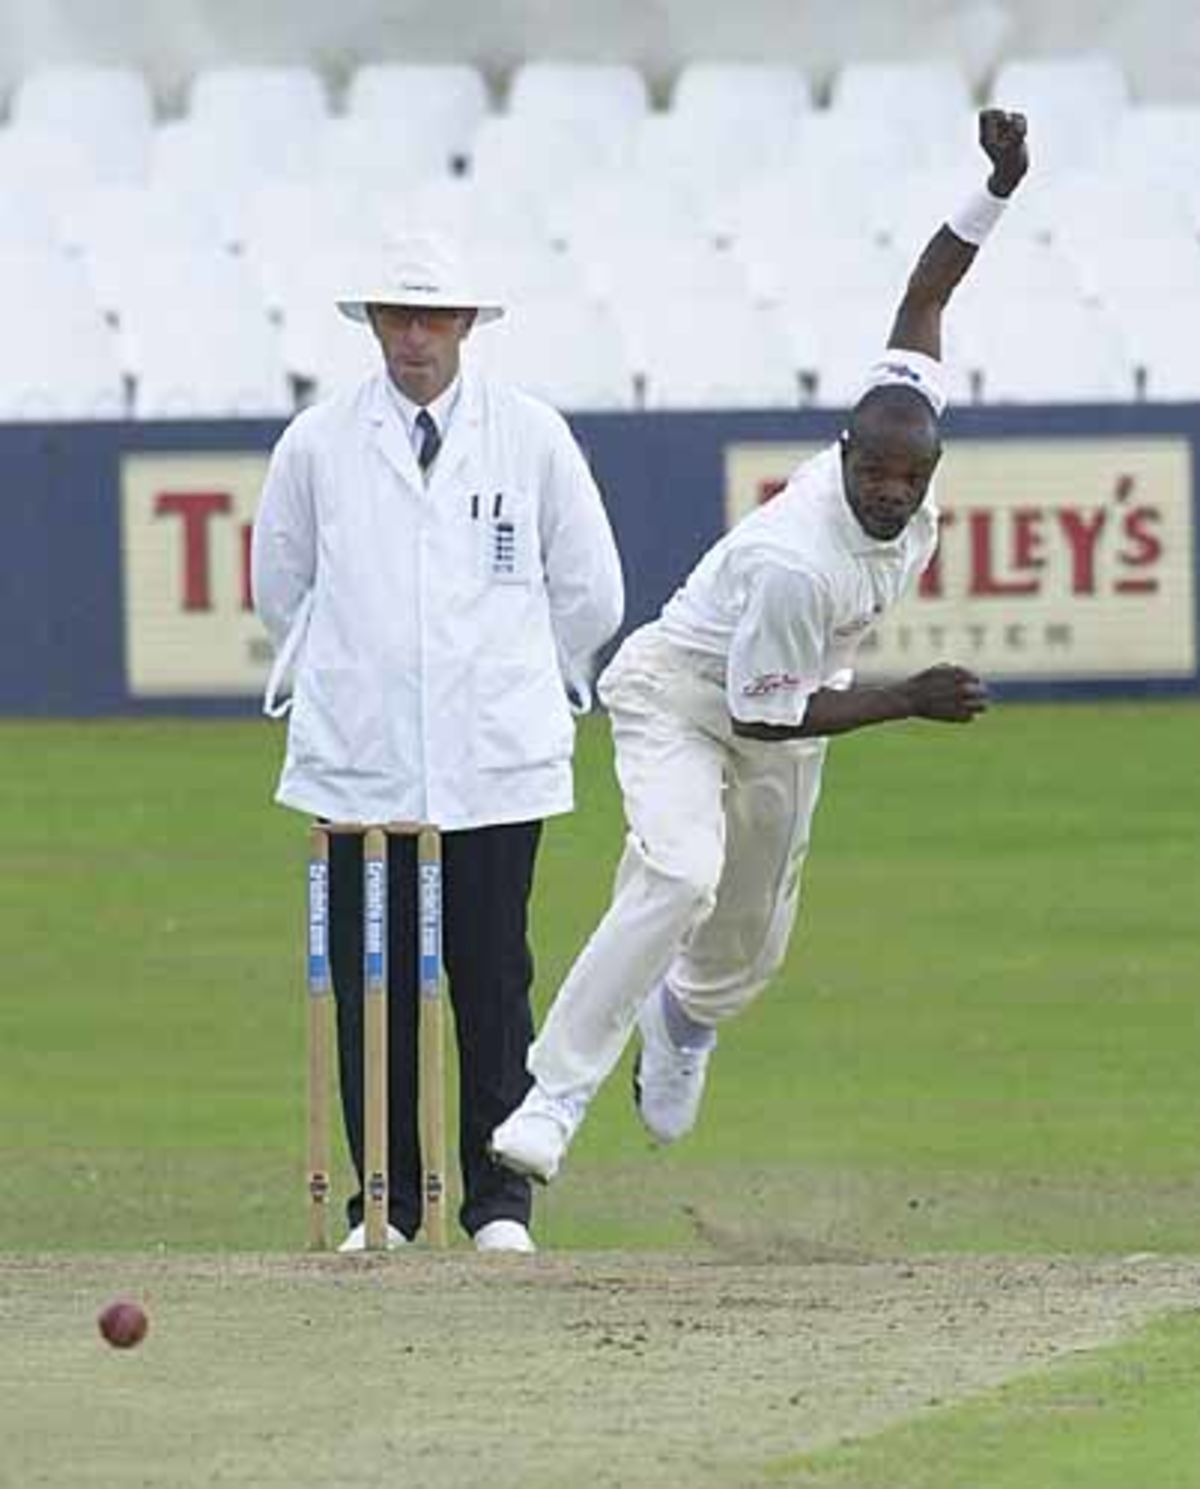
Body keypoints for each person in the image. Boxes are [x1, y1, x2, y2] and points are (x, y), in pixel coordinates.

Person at [491, 110, 1030, 1184]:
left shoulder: (906, 415)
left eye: (907, 480)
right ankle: (553, 1097)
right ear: (844, 455)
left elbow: (927, 292)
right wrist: (909, 696)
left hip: (792, 695)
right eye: (873, 475)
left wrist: (1000, 184)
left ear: (929, 460)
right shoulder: (799, 558)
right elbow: (756, 714)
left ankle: (683, 1022)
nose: (889, 494)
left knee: (746, 948)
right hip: (685, 695)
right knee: (680, 873)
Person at [252, 235, 624, 1251]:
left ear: (467, 326)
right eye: (396, 317)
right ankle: (388, 1205)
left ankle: (500, 1204)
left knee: (492, 977)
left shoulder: (531, 436)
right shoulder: (319, 443)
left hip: (496, 758)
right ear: (372, 325)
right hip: (359, 760)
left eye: (432, 318)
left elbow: (591, 590)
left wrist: (531, 682)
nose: (413, 337)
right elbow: (279, 586)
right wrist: (350, 675)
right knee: (375, 982)